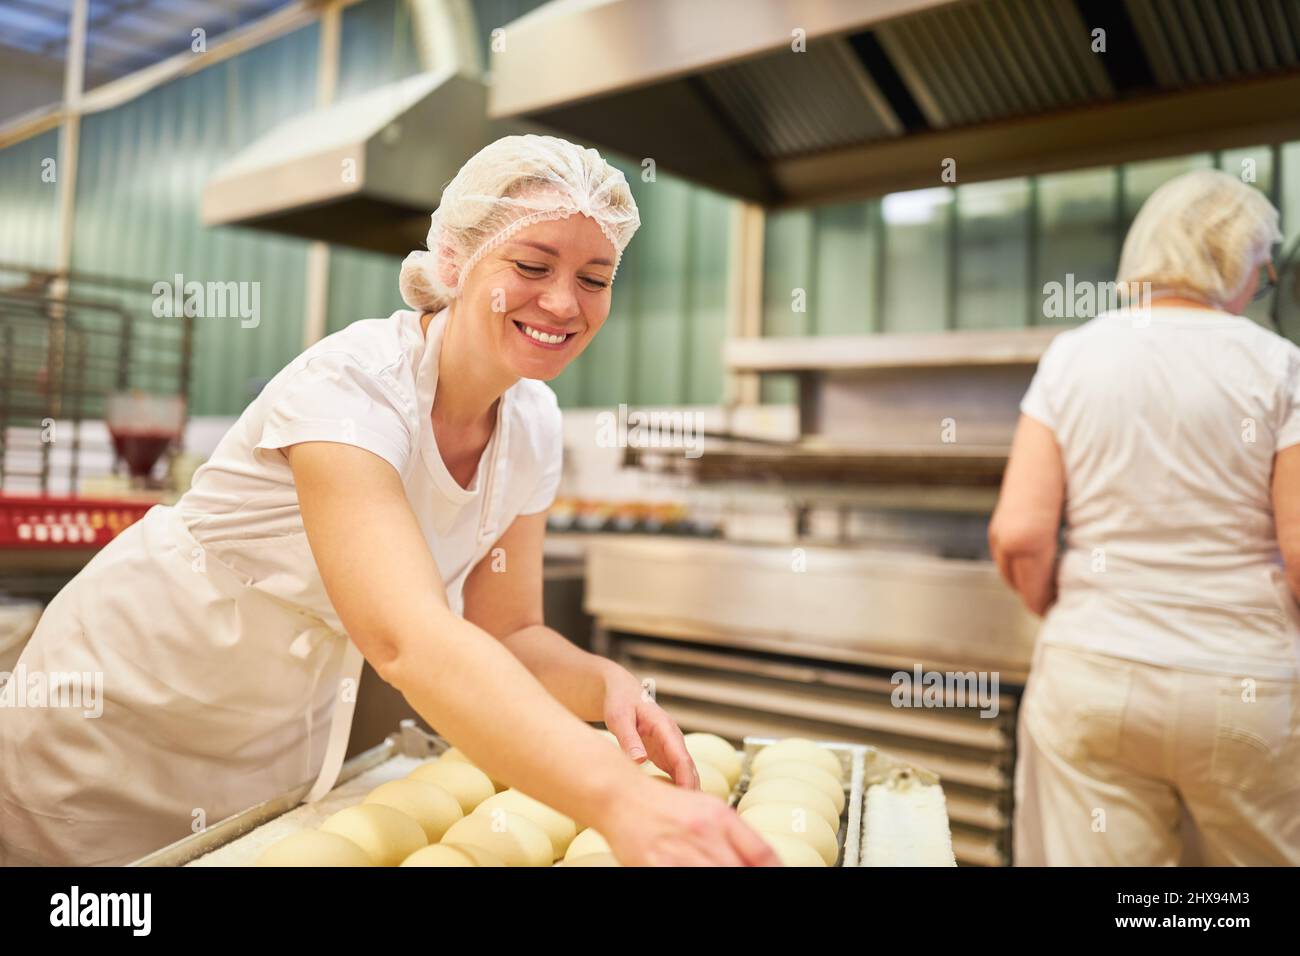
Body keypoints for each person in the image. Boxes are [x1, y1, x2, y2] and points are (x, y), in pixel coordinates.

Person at [0, 134, 777, 867]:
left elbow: (510, 630)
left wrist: (600, 681)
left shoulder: (533, 423)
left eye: (594, 278)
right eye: (533, 265)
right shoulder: (354, 386)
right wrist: (612, 797)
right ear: (455, 258)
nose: (565, 304)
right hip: (120, 710)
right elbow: (406, 639)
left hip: (265, 745)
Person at [990, 169, 1300, 866]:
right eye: (1263, 269)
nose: (1260, 286)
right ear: (1237, 264)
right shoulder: (1281, 367)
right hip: (1245, 682)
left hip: (1094, 672)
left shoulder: (1073, 355)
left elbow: (1019, 533)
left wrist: (1077, 614)